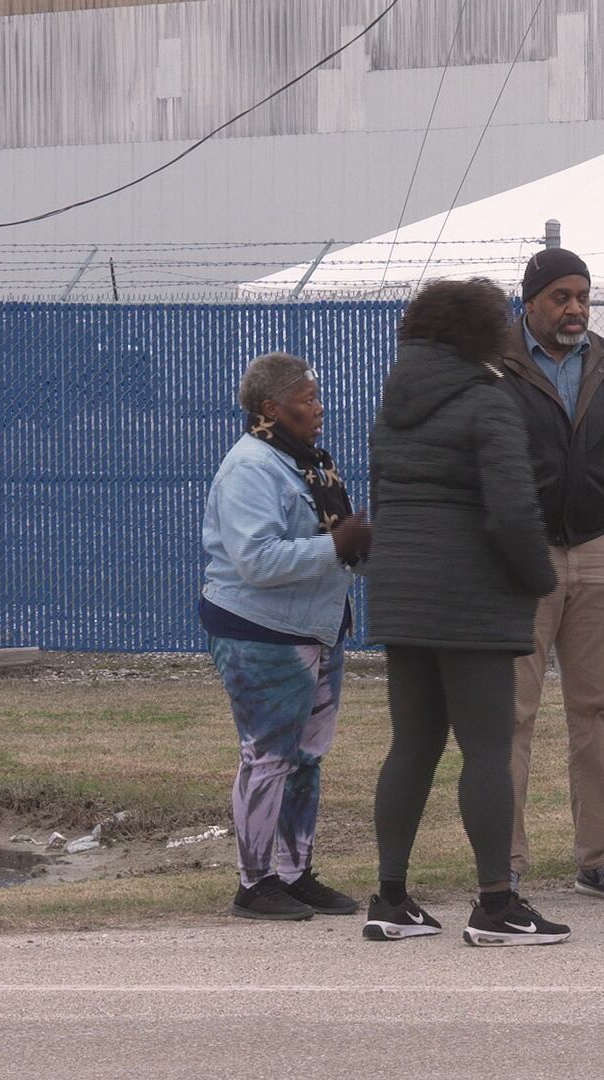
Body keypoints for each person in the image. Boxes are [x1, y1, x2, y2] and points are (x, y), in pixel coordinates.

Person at [366, 278, 569, 947]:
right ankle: (496, 905)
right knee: (487, 749)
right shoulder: (489, 403)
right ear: (482, 333)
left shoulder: (393, 403)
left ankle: (390, 898)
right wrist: (540, 579)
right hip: (471, 600)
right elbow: (513, 512)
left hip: (402, 596)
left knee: (412, 746)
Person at [499, 247, 604, 901]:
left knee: (598, 712)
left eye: (584, 297)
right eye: (562, 297)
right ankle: (503, 861)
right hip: (521, 558)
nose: (575, 309)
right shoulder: (496, 368)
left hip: (603, 552)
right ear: (531, 300)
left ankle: (601, 858)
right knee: (509, 715)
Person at [200, 351, 370, 922]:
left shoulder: (305, 462)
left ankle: (295, 873)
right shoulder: (251, 467)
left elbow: (329, 540)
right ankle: (254, 882)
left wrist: (357, 543)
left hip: (316, 628)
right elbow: (255, 561)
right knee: (268, 757)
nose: (320, 409)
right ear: (271, 409)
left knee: (306, 758)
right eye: (308, 400)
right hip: (262, 632)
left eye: (318, 397)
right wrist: (337, 545)